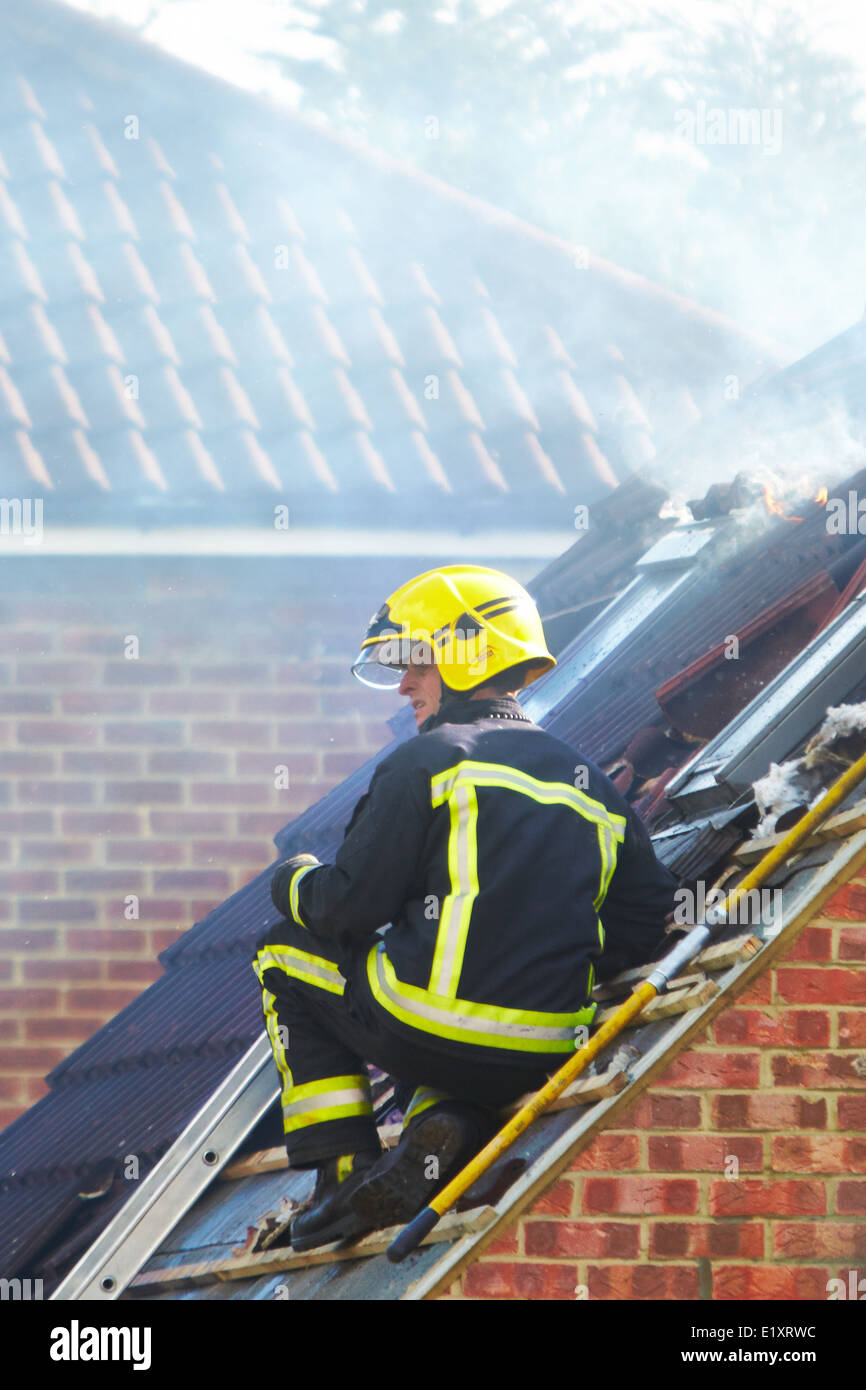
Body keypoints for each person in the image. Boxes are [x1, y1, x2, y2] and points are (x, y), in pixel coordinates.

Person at [252, 564, 677, 1251]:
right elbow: (646, 915)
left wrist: (292, 880)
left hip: (426, 1027)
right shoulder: (592, 786)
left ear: (463, 651)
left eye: (414, 662)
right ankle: (440, 1125)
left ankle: (341, 1173)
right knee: (453, 1025)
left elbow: (349, 908)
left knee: (281, 951)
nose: (404, 684)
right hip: (542, 1045)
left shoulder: (428, 761)